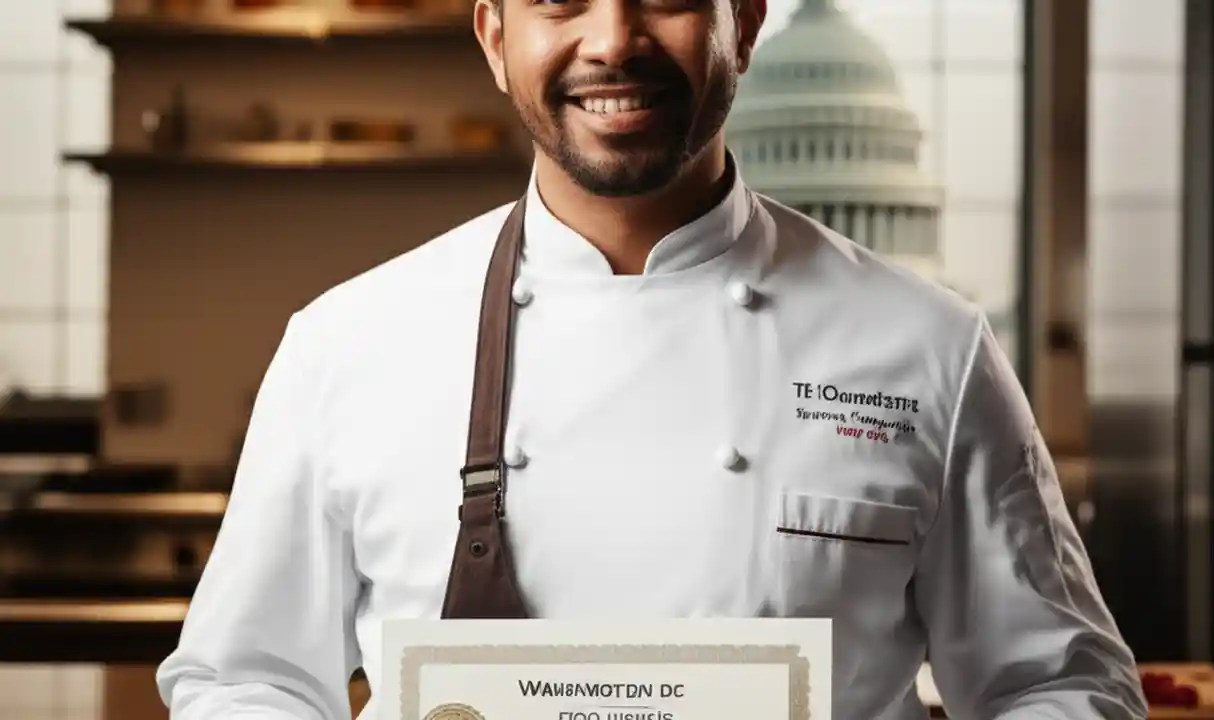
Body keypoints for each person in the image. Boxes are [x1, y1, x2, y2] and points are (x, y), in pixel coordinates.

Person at [155, 0, 1148, 715]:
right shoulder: (345, 344)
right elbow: (245, 680)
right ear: (495, 38)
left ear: (744, 24)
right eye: (558, 1)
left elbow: (1059, 687)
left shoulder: (929, 347)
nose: (613, 39)